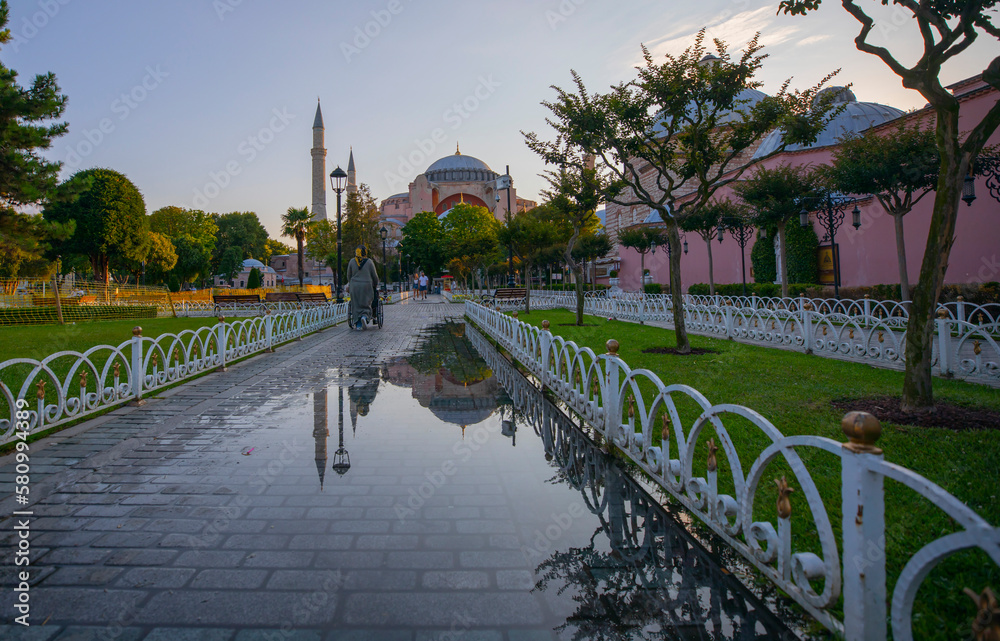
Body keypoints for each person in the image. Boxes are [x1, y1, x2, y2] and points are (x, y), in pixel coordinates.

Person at [346, 245, 379, 330]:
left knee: (356, 304)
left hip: (355, 286)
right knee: (367, 303)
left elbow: (349, 275)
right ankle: (364, 316)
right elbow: (374, 276)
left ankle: (358, 324)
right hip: (367, 285)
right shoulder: (369, 262)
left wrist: (351, 283)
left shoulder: (352, 261)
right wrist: (375, 284)